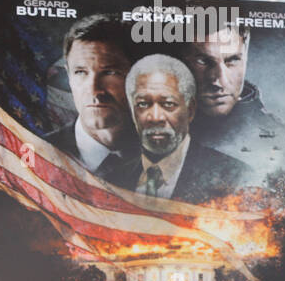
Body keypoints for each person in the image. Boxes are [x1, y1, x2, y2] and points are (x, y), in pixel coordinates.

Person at [102, 54, 253, 205]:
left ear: (190, 110)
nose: (155, 117)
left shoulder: (234, 178)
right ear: (132, 110)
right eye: (143, 104)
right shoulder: (113, 180)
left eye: (168, 104)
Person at [179, 21, 285, 176]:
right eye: (204, 61)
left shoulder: (278, 135)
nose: (220, 81)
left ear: (246, 58)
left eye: (232, 60)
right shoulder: (157, 127)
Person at [45, 14, 138, 173]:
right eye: (80, 72)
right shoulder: (36, 154)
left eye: (110, 72)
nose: (94, 90)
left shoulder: (173, 156)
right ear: (69, 77)